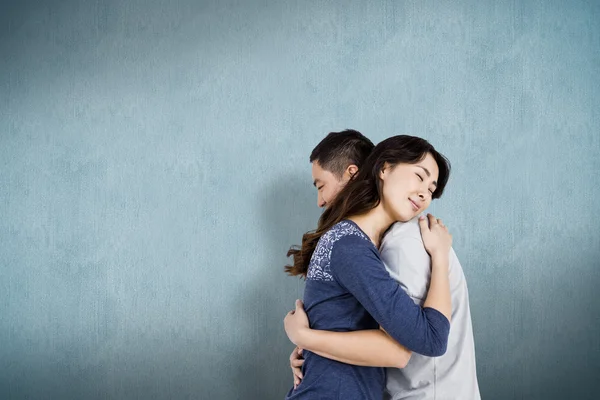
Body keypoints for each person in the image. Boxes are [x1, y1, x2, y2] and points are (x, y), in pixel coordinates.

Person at [286, 130, 480, 400]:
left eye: (431, 189)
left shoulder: (366, 244)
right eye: (419, 177)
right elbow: (431, 339)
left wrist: (306, 340)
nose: (425, 194)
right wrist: (440, 255)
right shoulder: (350, 245)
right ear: (384, 168)